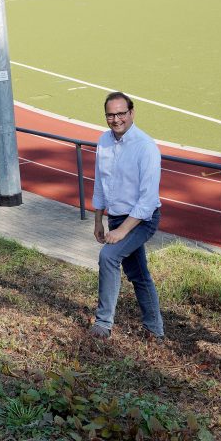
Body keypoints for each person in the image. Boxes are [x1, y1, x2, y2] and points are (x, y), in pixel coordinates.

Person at [88, 92, 164, 341]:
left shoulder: (146, 147)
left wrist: (123, 231)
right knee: (138, 274)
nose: (116, 119)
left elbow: (148, 201)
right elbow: (100, 182)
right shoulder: (104, 141)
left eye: (121, 113)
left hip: (142, 220)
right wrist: (98, 219)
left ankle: (103, 324)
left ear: (132, 113)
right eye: (111, 114)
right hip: (115, 217)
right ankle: (155, 329)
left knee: (108, 257)